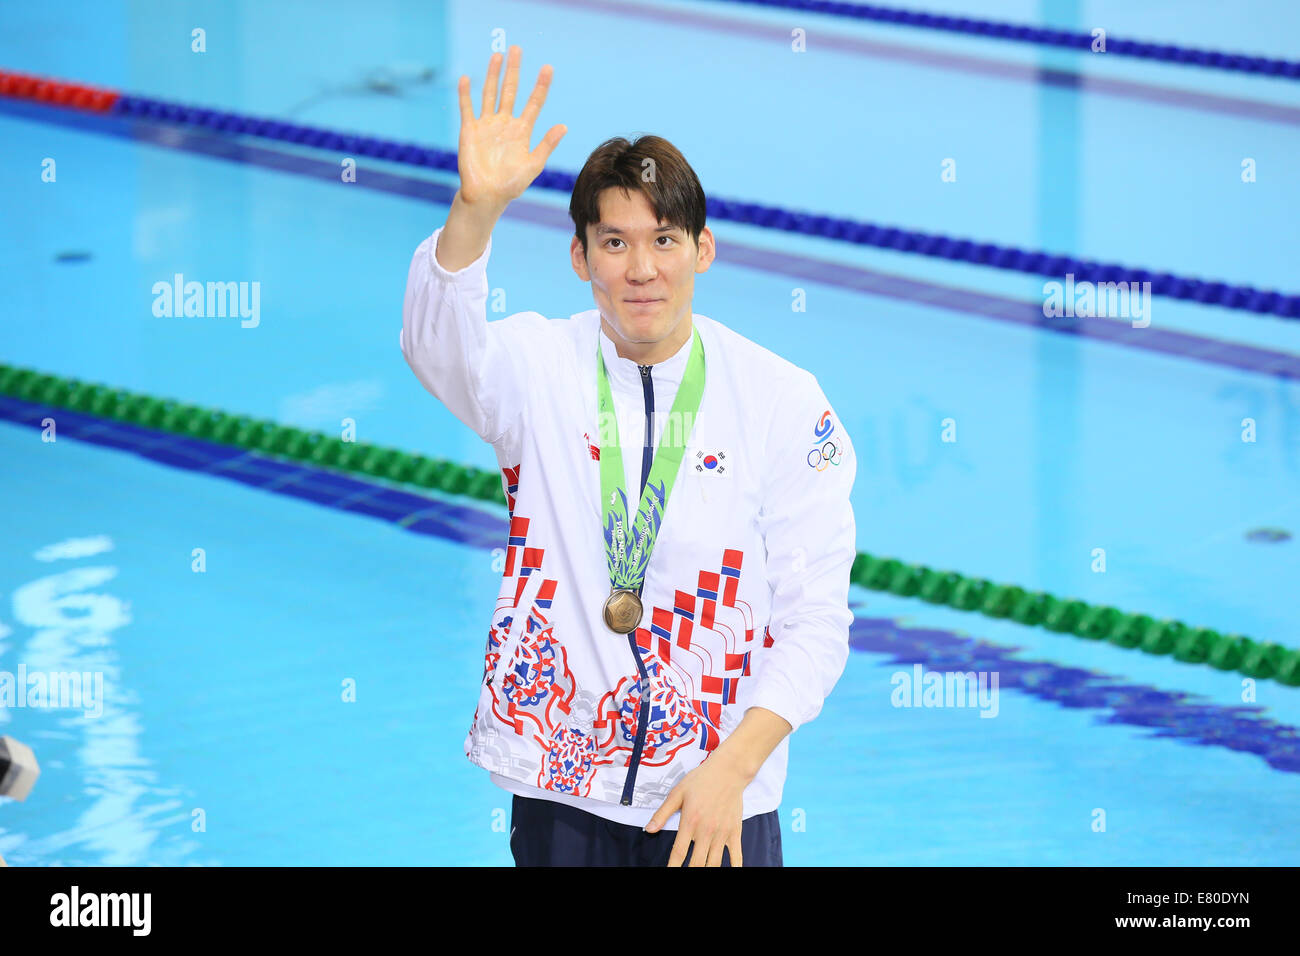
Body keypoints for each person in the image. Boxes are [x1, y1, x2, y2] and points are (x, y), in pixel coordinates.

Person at [401, 46, 857, 867]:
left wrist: (734, 769)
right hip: (562, 795)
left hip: (716, 798)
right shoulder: (538, 370)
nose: (641, 269)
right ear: (579, 258)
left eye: (664, 240)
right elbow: (436, 347)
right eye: (614, 243)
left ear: (703, 250)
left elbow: (815, 622)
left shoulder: (782, 402)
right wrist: (474, 208)